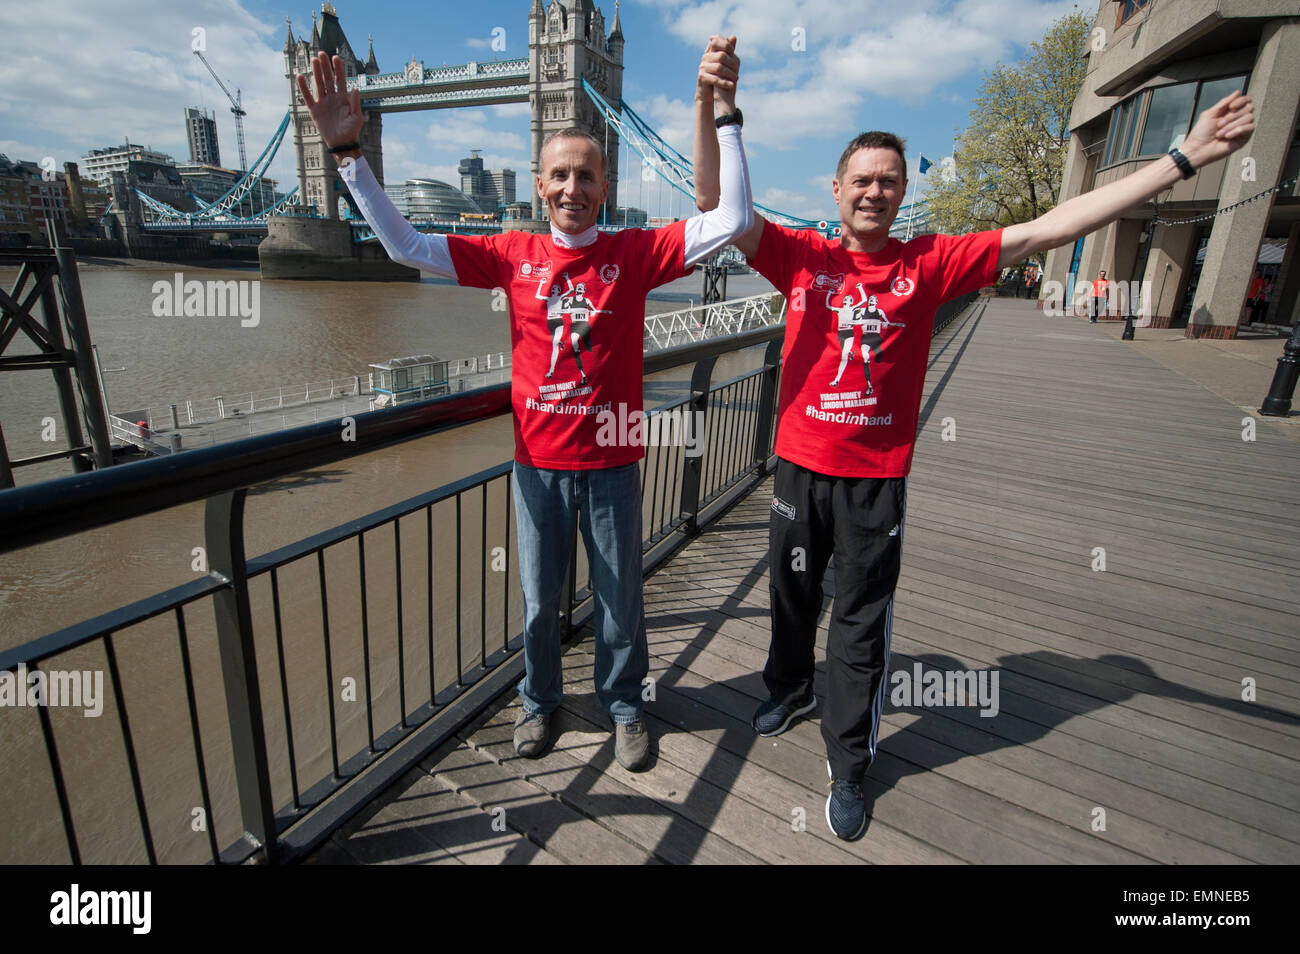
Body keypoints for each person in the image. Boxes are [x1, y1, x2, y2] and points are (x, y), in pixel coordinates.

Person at [694, 83, 1254, 838]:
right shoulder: (799, 256)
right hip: (797, 468)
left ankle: (850, 764)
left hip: (873, 484)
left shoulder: (930, 264)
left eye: (889, 180)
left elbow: (1054, 226)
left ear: (901, 194)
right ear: (836, 189)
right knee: (793, 600)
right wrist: (717, 107)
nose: (875, 190)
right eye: (861, 178)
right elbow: (717, 205)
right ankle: (790, 686)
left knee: (859, 628)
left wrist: (1182, 160)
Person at [296, 38, 753, 772]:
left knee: (619, 601)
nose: (573, 186)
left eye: (587, 175)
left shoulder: (634, 254)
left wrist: (724, 114)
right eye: (560, 175)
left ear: (603, 187)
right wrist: (349, 153)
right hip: (535, 464)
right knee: (540, 604)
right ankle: (539, 703)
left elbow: (730, 218)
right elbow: (403, 246)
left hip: (614, 457)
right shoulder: (510, 254)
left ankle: (626, 706)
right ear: (540, 186)